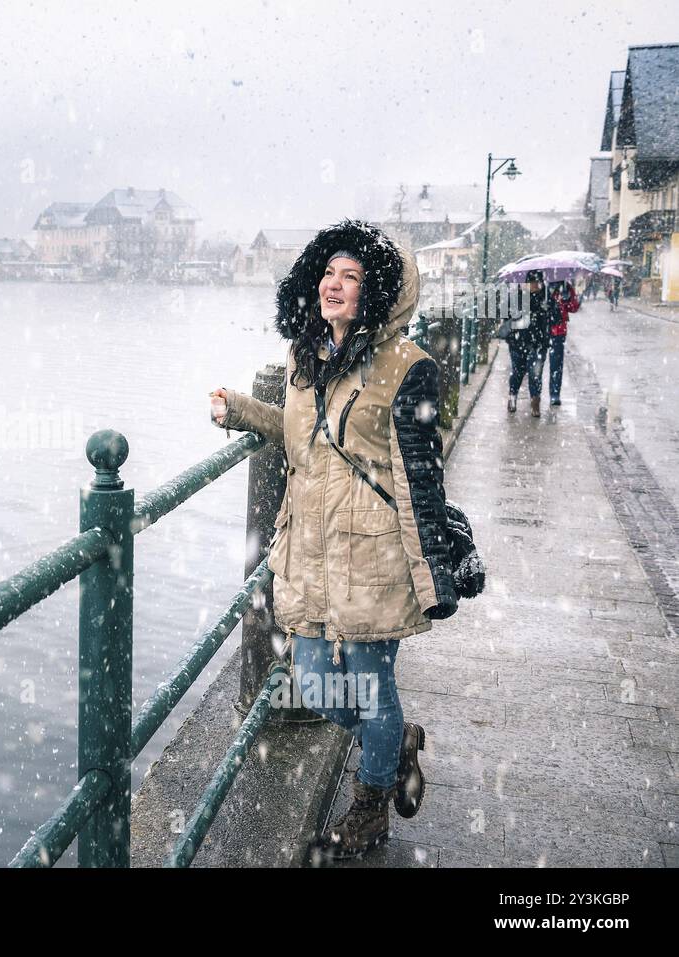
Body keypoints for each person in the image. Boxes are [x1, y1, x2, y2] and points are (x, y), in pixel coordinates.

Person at [208, 220, 457, 861]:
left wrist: (433, 570)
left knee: (369, 689)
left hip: (373, 560)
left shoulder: (409, 368)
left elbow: (421, 477)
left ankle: (370, 810)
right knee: (318, 686)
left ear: (376, 293)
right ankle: (395, 742)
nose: (334, 285)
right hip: (309, 554)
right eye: (328, 273)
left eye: (351, 276)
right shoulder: (304, 357)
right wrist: (241, 409)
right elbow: (300, 437)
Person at [506, 269, 553, 417]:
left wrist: (547, 310)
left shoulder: (546, 297)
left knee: (535, 374)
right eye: (531, 282)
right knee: (517, 373)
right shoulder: (516, 298)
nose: (534, 286)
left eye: (537, 282)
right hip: (518, 342)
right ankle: (512, 397)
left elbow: (555, 318)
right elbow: (507, 320)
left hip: (538, 344)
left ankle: (535, 402)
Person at [547, 279, 579, 406]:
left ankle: (554, 394)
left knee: (556, 365)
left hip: (558, 332)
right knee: (536, 366)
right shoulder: (542, 285)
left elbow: (574, 307)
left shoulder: (566, 287)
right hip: (542, 331)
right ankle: (535, 397)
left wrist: (567, 301)